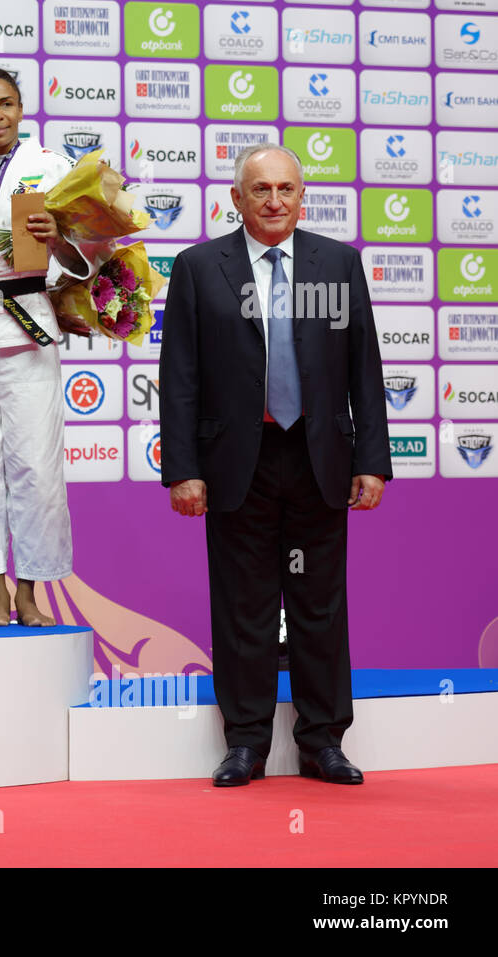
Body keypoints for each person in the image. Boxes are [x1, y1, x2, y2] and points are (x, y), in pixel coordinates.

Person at [159, 143, 392, 787]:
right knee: (244, 606)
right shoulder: (200, 267)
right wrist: (183, 467)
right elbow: (179, 376)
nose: (274, 201)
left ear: (301, 197)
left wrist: (371, 458)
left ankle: (323, 744)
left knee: (319, 605)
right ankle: (245, 745)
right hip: (238, 462)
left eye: (286, 189)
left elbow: (364, 371)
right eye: (260, 190)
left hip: (319, 460)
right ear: (236, 199)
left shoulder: (336, 265)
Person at [0, 69, 101, 627]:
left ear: (22, 108)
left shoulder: (51, 168)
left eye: (5, 103)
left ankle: (28, 590)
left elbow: (86, 261)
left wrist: (57, 241)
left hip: (28, 324)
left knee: (34, 463)